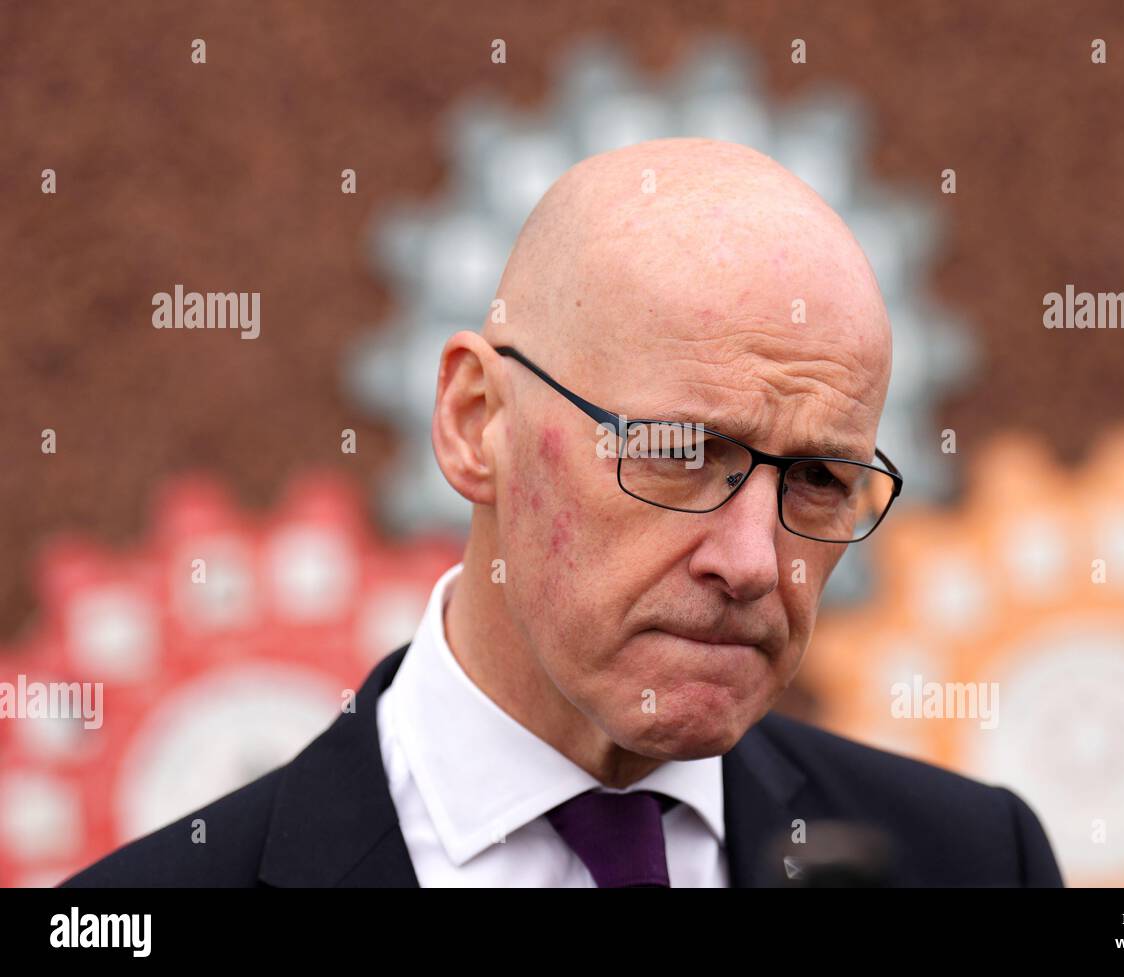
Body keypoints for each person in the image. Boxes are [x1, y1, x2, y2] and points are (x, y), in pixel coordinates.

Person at [63, 138, 1063, 887]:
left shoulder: (975, 861)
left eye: (817, 479)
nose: (753, 560)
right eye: (680, 451)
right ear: (475, 422)